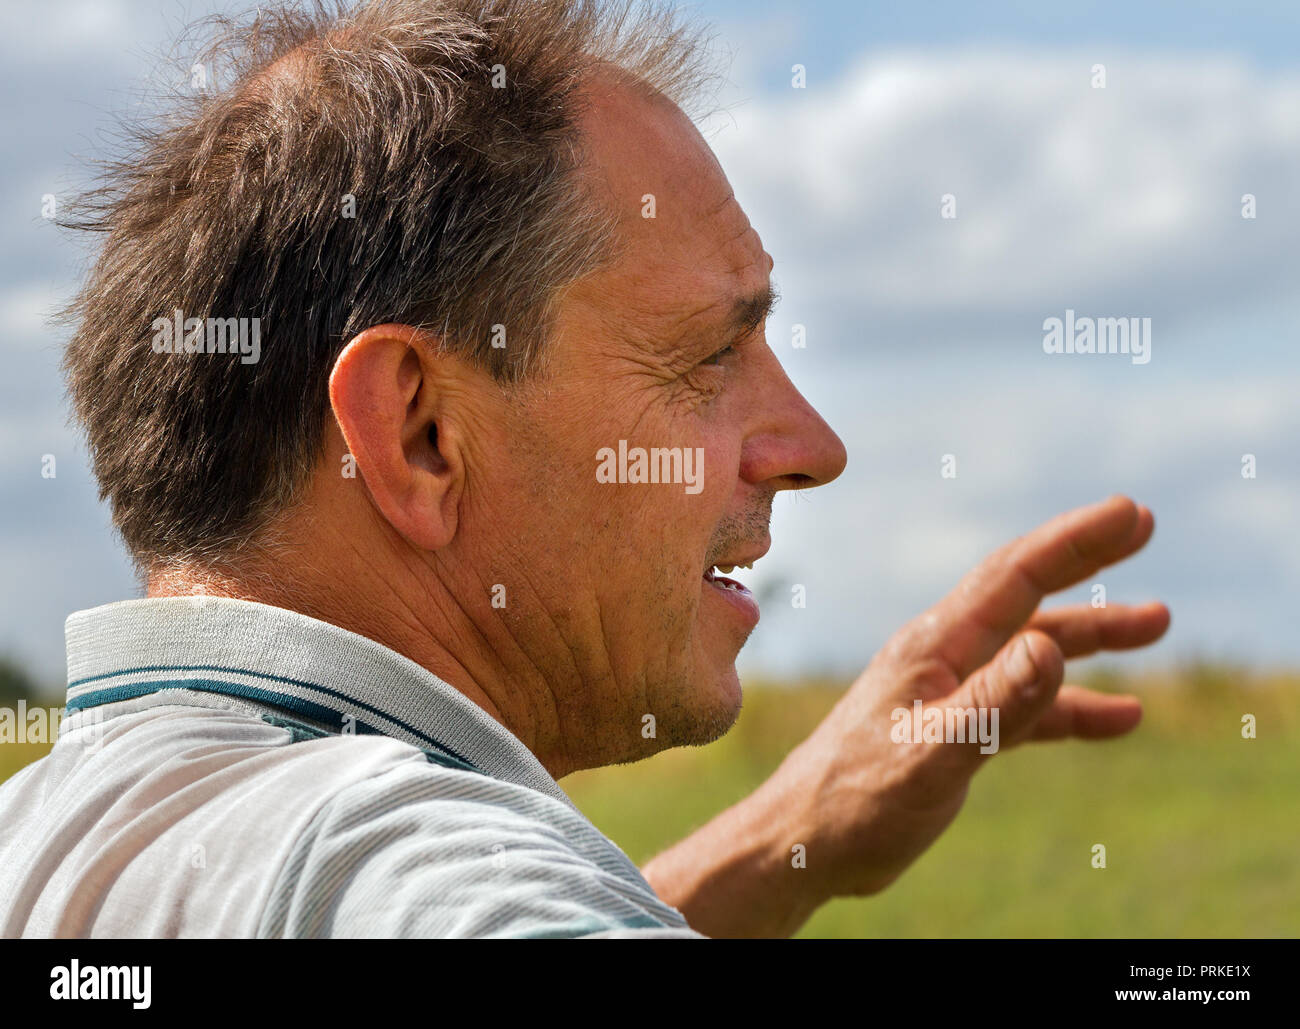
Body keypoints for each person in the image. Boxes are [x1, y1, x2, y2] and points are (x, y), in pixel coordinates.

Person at [0, 0, 1169, 938]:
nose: (812, 448)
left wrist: (778, 850)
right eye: (709, 356)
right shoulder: (447, 881)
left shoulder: (48, 835)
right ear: (416, 436)